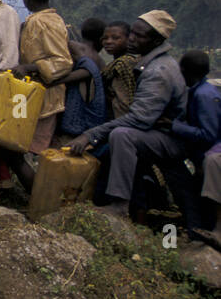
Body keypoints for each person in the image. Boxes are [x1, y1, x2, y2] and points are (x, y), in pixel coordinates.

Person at [70, 11, 186, 222]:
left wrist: (90, 135)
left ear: (156, 40)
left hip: (169, 137)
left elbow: (139, 119)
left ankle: (119, 205)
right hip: (157, 131)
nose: (132, 38)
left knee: (122, 136)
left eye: (139, 36)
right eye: (132, 33)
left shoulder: (157, 71)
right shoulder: (148, 63)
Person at [166, 50, 221, 244]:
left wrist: (174, 126)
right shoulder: (198, 91)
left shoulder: (204, 95)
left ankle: (212, 230)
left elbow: (208, 134)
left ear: (184, 71)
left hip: (213, 154)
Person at [57, 18, 108, 138]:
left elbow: (86, 71)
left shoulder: (74, 46)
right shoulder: (100, 61)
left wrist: (55, 81)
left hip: (69, 100)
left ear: (81, 32)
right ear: (101, 39)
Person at [100, 20, 138, 120]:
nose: (108, 41)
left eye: (115, 38)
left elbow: (124, 102)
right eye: (105, 38)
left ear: (128, 39)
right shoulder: (116, 63)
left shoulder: (123, 64)